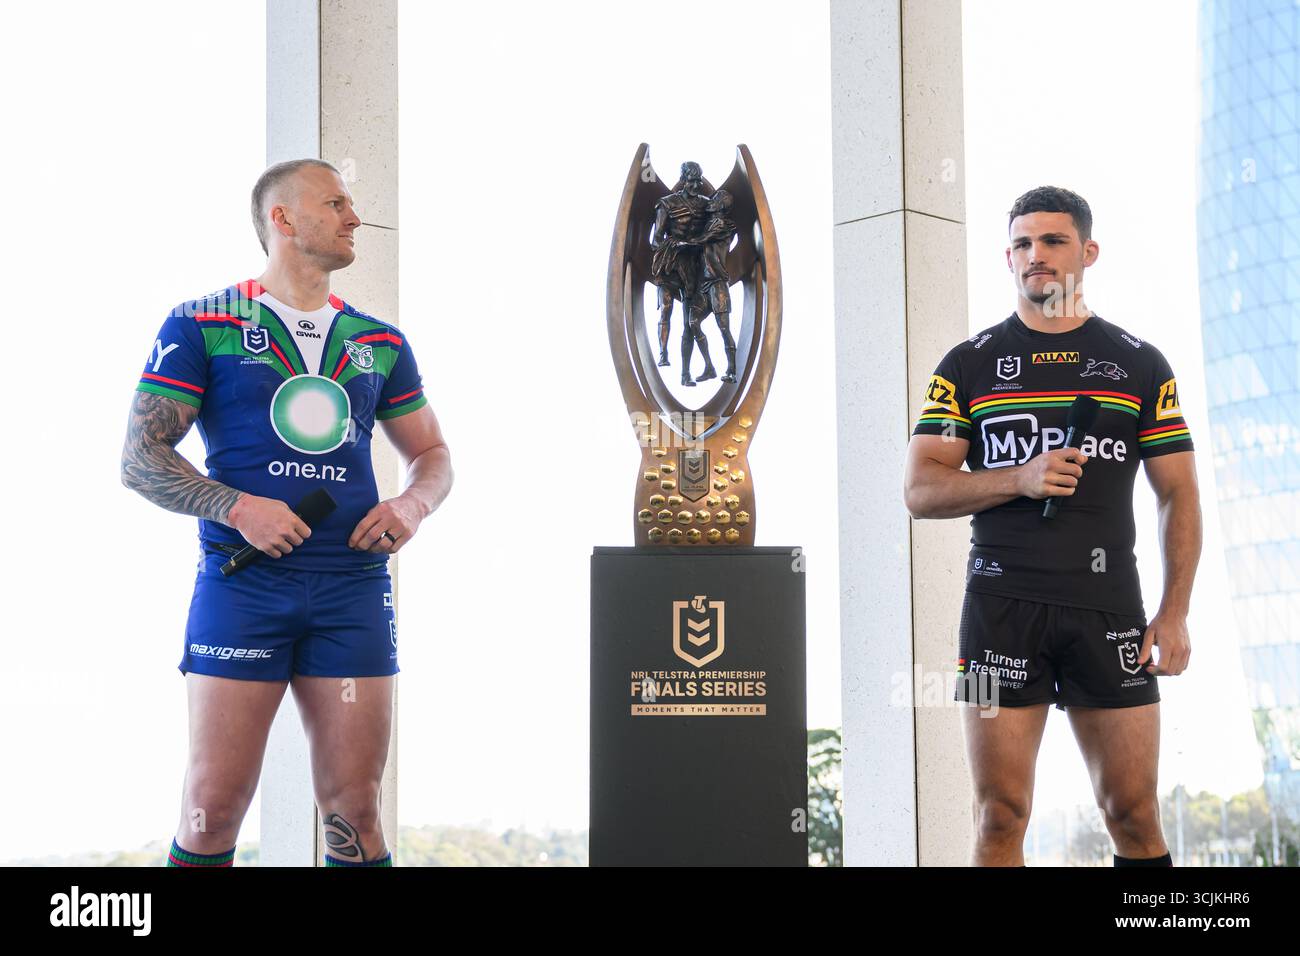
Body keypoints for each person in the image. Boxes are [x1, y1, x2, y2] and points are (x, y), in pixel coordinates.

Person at [120, 158, 453, 867]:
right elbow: (140, 459)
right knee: (211, 810)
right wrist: (238, 507)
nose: (354, 216)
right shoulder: (201, 323)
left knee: (356, 812)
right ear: (283, 218)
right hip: (244, 586)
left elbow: (432, 455)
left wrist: (412, 505)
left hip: (352, 588)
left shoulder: (380, 341)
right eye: (335, 203)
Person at [903, 186, 1201, 867]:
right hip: (999, 609)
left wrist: (1175, 611)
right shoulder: (968, 364)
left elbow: (1178, 494)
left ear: (1088, 252)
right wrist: (1020, 478)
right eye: (1022, 243)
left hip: (1109, 606)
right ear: (1007, 257)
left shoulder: (1139, 363)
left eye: (1053, 241)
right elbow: (920, 489)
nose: (1035, 255)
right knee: (998, 818)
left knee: (1133, 814)